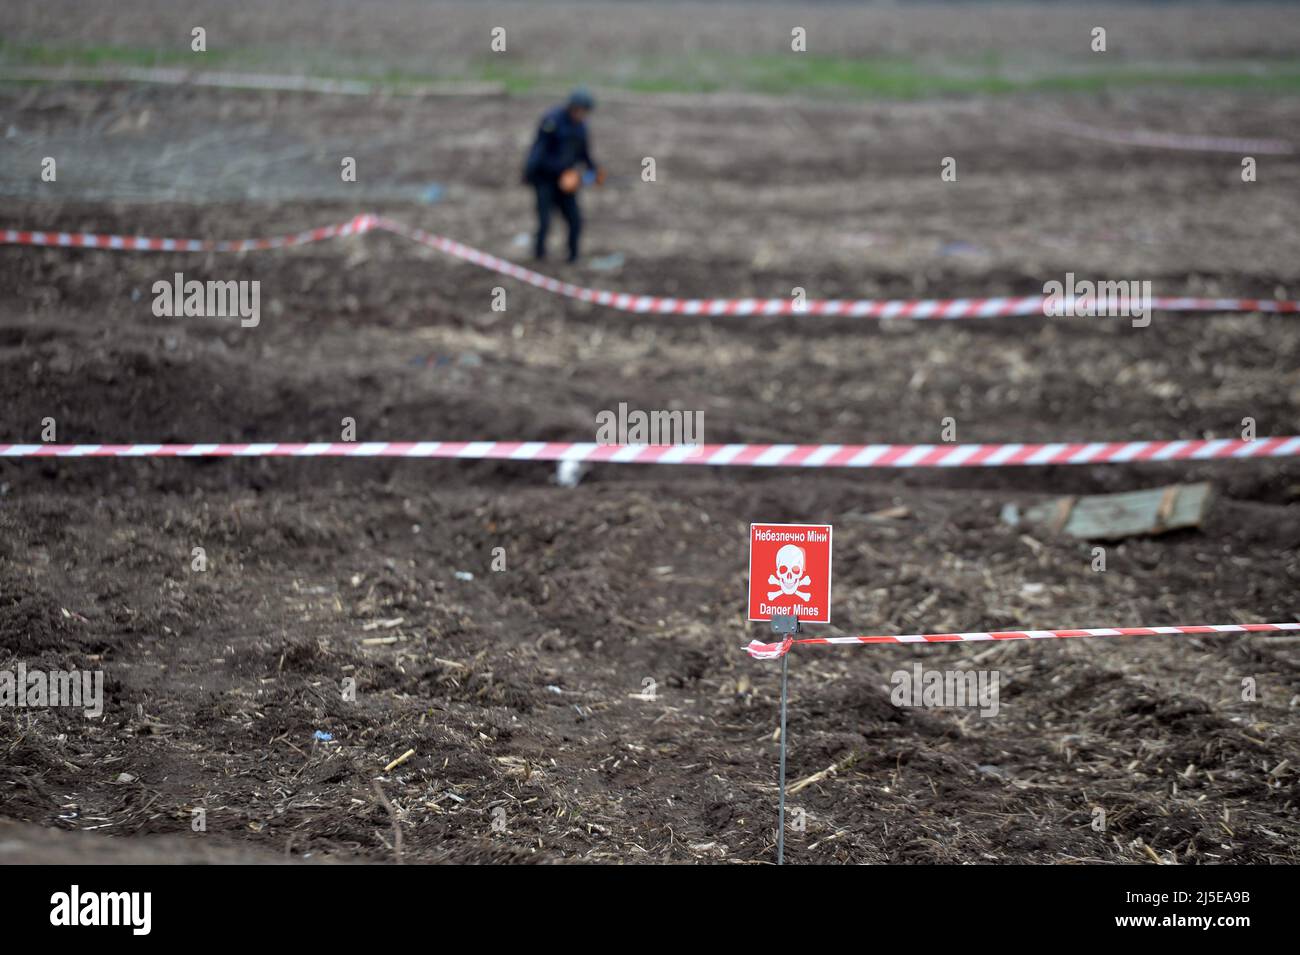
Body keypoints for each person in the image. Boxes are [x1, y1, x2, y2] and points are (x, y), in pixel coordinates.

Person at [522, 88, 603, 262]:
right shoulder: (552, 121)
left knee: (575, 220)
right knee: (545, 220)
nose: (582, 115)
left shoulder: (580, 127)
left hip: (567, 180)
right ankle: (539, 256)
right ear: (573, 107)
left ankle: (573, 257)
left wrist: (594, 171)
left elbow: (584, 153)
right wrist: (530, 172)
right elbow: (539, 151)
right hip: (545, 179)